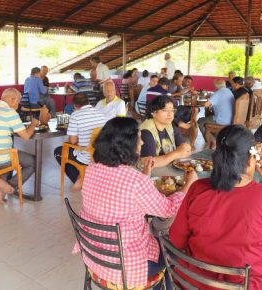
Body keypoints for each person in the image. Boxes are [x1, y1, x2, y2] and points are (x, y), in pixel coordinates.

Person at [169, 125, 262, 290]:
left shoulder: (197, 188)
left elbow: (177, 240)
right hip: (247, 286)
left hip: (195, 282)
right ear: (251, 160)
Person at [76, 117, 197, 289]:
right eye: (138, 138)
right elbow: (168, 209)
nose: (141, 142)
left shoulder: (92, 169)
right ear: (126, 144)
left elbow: (123, 193)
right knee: (176, 250)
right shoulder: (133, 180)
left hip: (94, 255)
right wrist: (189, 184)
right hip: (127, 266)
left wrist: (144, 174)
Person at [0, 88, 48, 201]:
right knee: (34, 162)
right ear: (12, 99)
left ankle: (1, 184)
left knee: (10, 151)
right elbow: (25, 136)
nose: (18, 106)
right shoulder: (9, 112)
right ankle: (8, 186)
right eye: (18, 102)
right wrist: (34, 123)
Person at [53, 93, 107, 191]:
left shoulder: (76, 115)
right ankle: (86, 176)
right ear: (89, 102)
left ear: (75, 105)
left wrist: (74, 142)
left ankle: (81, 179)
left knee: (59, 151)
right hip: (101, 155)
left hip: (86, 156)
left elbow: (73, 141)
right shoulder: (101, 113)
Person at [139, 95, 191, 168]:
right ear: (153, 113)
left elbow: (184, 148)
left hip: (168, 168)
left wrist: (182, 150)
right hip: (150, 174)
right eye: (165, 110)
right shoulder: (146, 132)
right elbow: (148, 163)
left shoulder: (170, 125)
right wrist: (176, 153)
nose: (170, 114)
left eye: (172, 110)